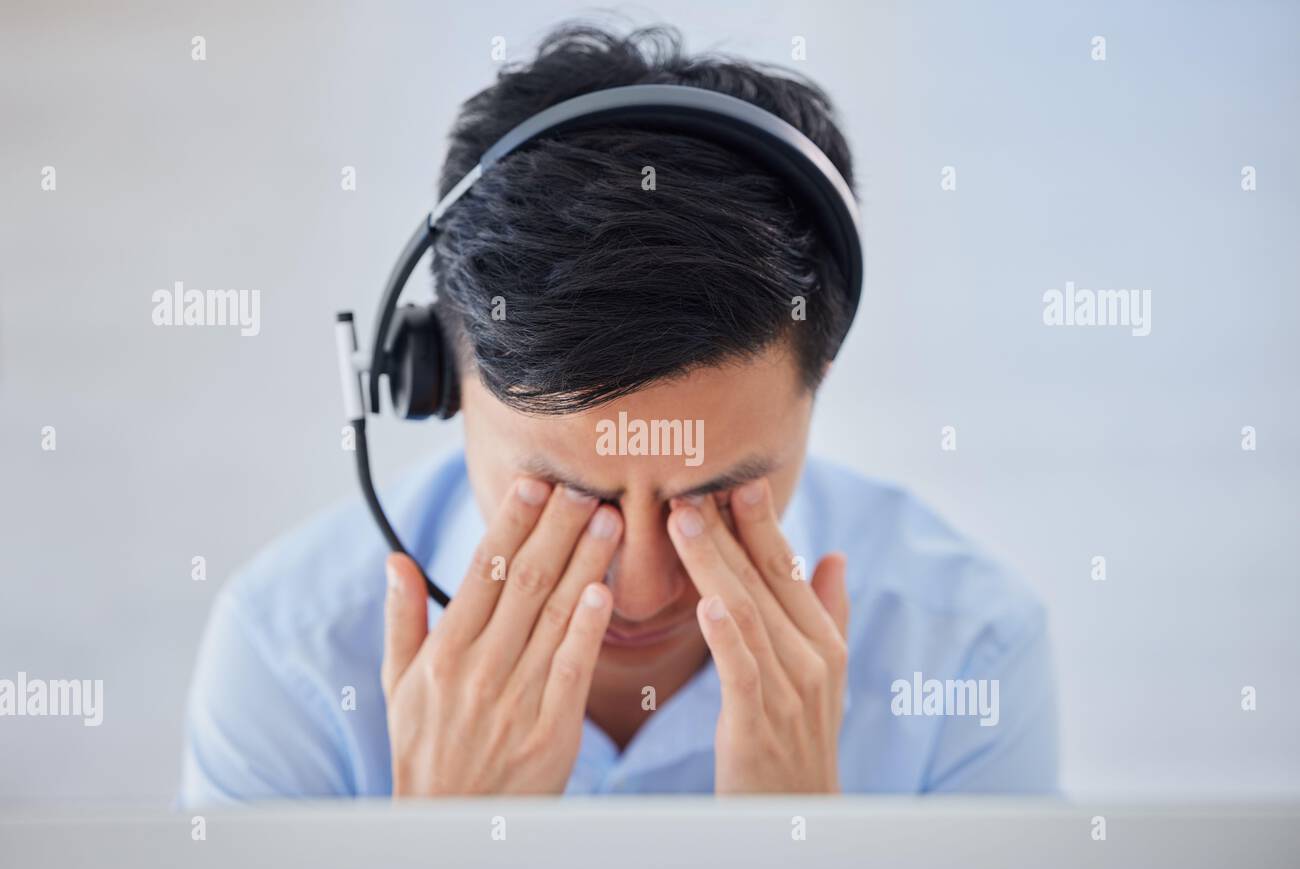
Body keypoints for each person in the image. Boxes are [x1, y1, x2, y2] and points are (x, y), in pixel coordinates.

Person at [179, 23, 1057, 803]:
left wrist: (799, 849)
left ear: (819, 379)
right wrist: (441, 855)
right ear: (434, 381)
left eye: (717, 496)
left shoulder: (969, 654)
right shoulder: (288, 659)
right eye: (570, 495)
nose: (638, 590)